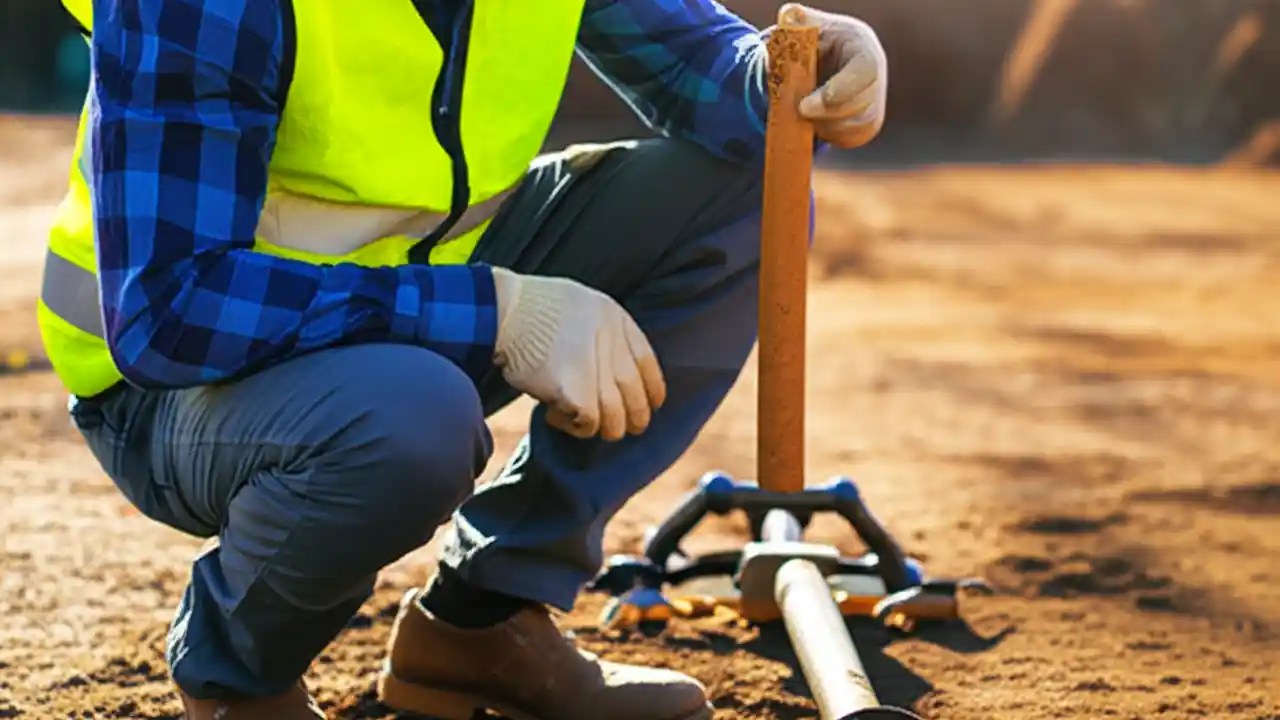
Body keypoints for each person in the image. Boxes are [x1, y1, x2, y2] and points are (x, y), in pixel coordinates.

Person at [39, 1, 887, 718]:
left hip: (416, 310)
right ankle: (239, 679)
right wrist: (498, 312)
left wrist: (797, 74)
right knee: (412, 424)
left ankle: (481, 619)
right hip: (178, 385)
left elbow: (710, 71)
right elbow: (170, 309)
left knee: (745, 193)